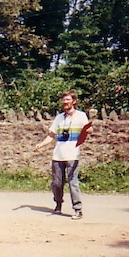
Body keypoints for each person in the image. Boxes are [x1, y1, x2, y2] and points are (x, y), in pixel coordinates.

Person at [34, 91, 92, 220]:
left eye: (68, 100)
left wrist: (89, 130)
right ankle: (58, 204)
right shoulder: (59, 118)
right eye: (64, 100)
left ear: (74, 101)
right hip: (58, 156)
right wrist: (41, 144)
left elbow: (87, 130)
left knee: (73, 183)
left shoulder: (81, 116)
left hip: (72, 155)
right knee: (56, 183)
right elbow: (51, 135)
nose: (65, 102)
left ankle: (78, 209)